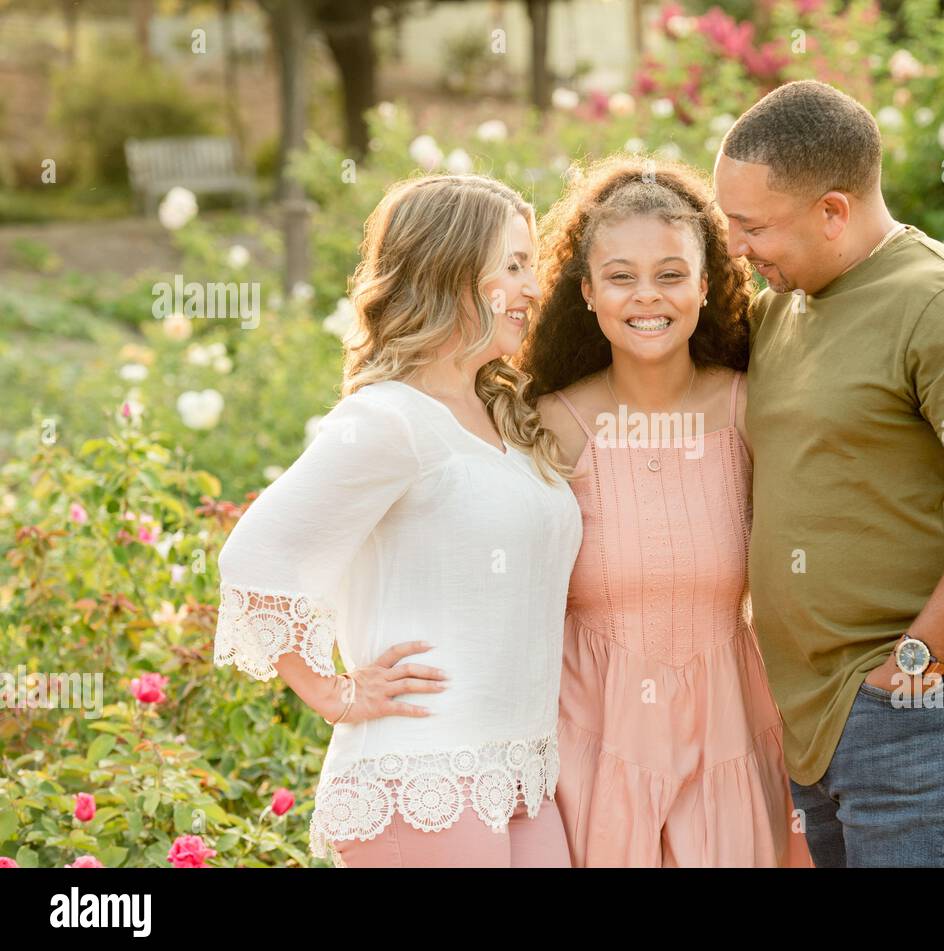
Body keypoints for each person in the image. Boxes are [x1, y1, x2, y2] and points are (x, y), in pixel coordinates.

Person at [713, 79, 944, 867]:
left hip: (930, 704)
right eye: (728, 222)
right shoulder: (785, 310)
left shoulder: (942, 303)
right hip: (827, 718)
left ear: (833, 211)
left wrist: (920, 658)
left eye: (753, 225)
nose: (736, 247)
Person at [214, 174, 583, 867]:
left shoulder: (501, 414)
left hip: (519, 769)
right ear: (448, 272)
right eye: (513, 265)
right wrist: (336, 693)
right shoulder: (389, 418)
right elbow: (255, 557)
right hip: (422, 770)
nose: (533, 288)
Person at [518, 155, 813, 867]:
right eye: (620, 276)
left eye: (671, 274)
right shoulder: (551, 425)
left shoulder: (748, 408)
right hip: (592, 736)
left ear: (706, 285)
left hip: (730, 731)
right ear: (587, 291)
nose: (646, 296)